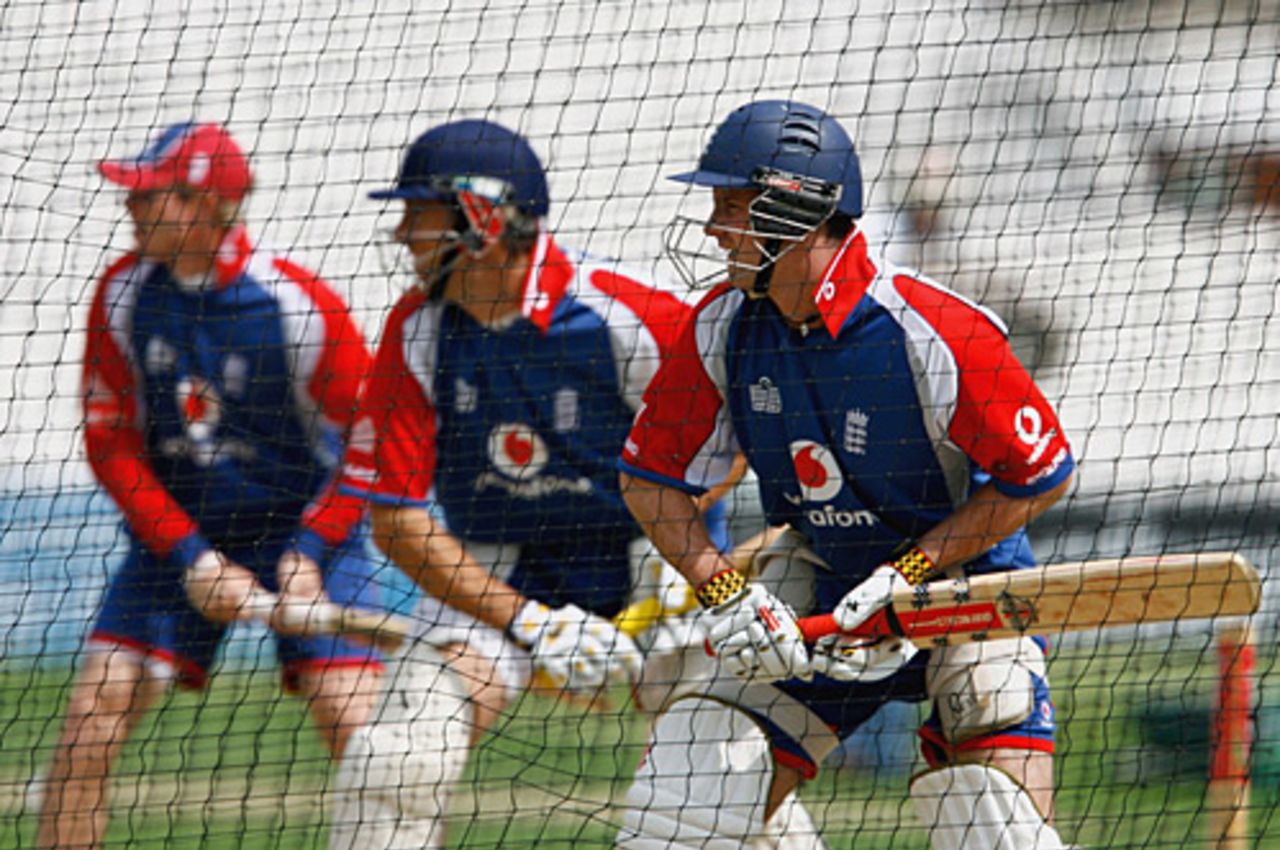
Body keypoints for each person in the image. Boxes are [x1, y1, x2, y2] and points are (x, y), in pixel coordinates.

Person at [311, 118, 821, 850]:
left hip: (659, 567)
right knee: (395, 758)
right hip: (495, 566)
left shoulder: (629, 315)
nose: (400, 236)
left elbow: (736, 439)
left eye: (416, 216)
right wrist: (532, 622)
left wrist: (679, 568)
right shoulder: (416, 331)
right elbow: (397, 522)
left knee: (729, 785)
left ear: (480, 220)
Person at [617, 100, 1077, 850]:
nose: (711, 228)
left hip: (967, 591)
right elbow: (648, 479)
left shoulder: (937, 329)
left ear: (798, 210)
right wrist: (723, 591)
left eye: (731, 206)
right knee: (684, 794)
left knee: (992, 823)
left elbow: (1041, 475)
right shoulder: (719, 326)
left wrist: (911, 568)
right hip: (819, 579)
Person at [40, 122, 384, 850]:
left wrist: (307, 556)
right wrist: (193, 556)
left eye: (150, 197)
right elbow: (110, 443)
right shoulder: (123, 293)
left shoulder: (297, 306)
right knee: (88, 728)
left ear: (206, 204)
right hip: (181, 541)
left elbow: (370, 443)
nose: (130, 210)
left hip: (304, 538)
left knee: (365, 740)